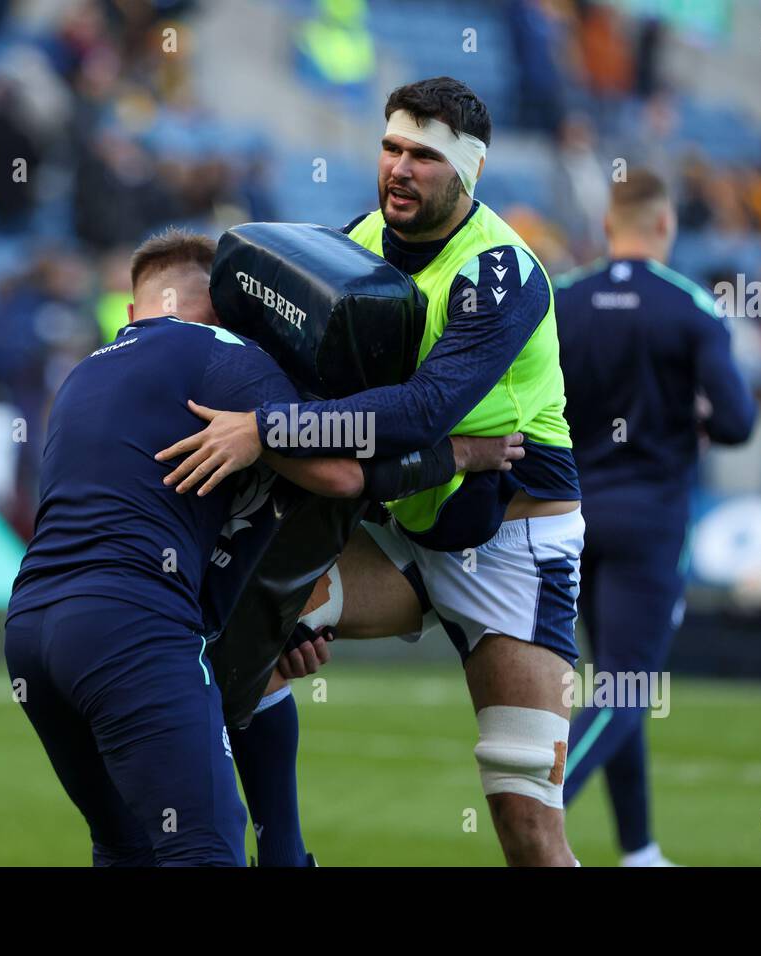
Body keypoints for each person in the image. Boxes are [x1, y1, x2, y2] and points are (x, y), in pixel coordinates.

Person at [159, 77, 584, 866]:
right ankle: (280, 853)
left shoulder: (501, 272)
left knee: (527, 825)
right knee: (244, 631)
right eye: (391, 147)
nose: (399, 168)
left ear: (470, 172)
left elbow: (423, 409)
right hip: (404, 528)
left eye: (424, 156)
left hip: (512, 546)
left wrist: (267, 432)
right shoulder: (350, 245)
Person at [4, 227, 522, 865]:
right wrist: (460, 453)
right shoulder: (224, 354)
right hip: (131, 626)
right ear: (226, 307)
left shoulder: (84, 375)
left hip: (30, 631)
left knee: (125, 848)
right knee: (205, 848)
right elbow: (333, 473)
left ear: (133, 313)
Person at [555, 170, 756, 866]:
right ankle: (540, 811)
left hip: (571, 514)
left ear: (609, 227)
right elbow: (737, 420)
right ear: (665, 226)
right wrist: (694, 417)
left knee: (615, 679)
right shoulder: (691, 307)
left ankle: (639, 851)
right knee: (630, 682)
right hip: (651, 516)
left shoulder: (564, 299)